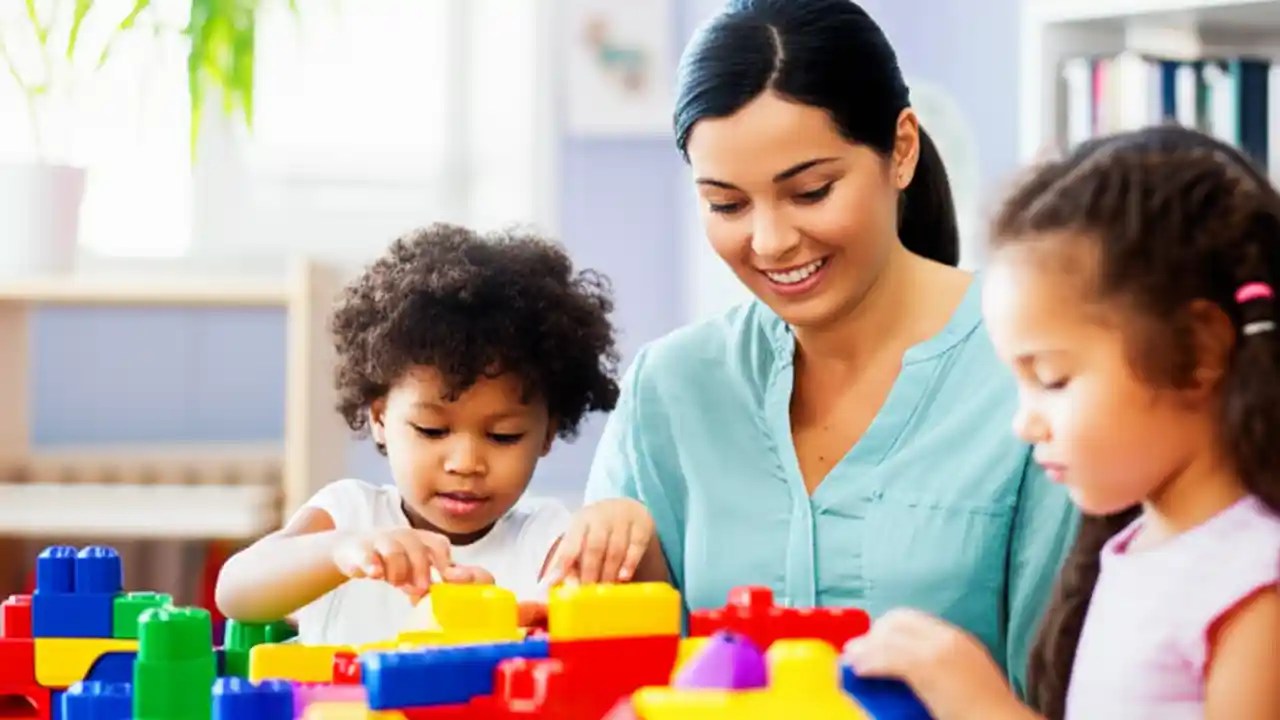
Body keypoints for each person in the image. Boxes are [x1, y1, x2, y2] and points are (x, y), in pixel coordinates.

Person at [547, 0, 1078, 697]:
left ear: (903, 149)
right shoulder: (671, 390)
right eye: (728, 204)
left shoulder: (1035, 368)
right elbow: (618, 684)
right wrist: (618, 578)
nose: (769, 242)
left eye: (811, 191)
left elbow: (1069, 689)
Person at [844, 126, 1280, 719]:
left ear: (1200, 350)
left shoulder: (1254, 588)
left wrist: (981, 704)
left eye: (1051, 378)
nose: (1026, 424)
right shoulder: (1136, 549)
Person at [215, 224, 622, 645]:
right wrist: (342, 551)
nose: (465, 463)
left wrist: (504, 619)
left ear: (547, 435)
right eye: (432, 430)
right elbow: (235, 592)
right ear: (379, 418)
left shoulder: (547, 539)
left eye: (504, 436)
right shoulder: (351, 514)